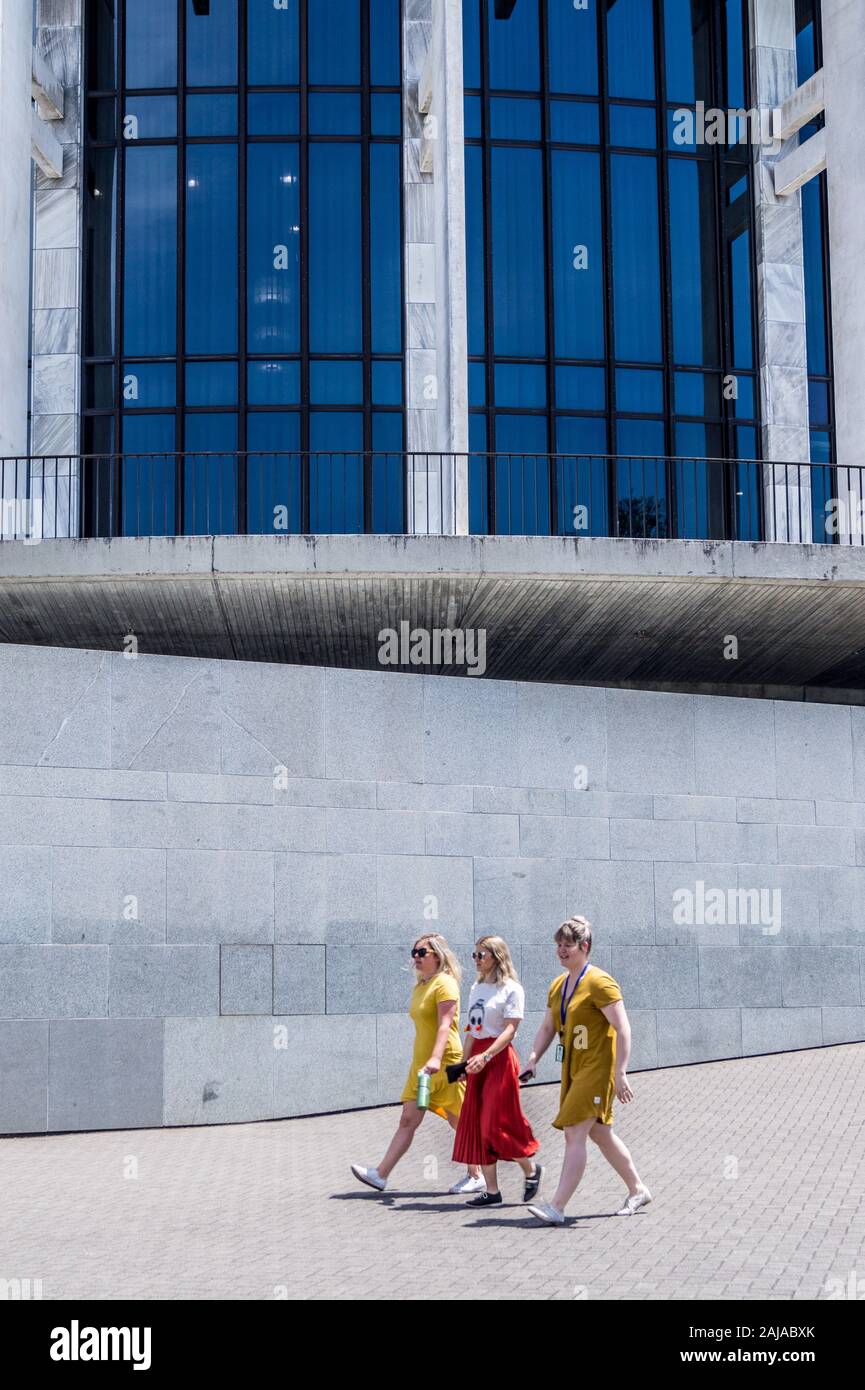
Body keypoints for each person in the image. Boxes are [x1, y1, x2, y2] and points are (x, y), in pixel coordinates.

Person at [522, 916, 652, 1226]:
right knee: (600, 1134)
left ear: (585, 947)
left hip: (596, 1068)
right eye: (558, 945)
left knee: (574, 1133)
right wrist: (532, 1058)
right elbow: (548, 1026)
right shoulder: (559, 984)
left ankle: (557, 1206)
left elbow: (622, 1028)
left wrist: (620, 1073)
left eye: (567, 945)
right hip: (572, 1067)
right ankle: (638, 1189)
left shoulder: (600, 982)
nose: (561, 950)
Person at [350, 933, 484, 1195]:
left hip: (446, 1064)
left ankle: (480, 1174)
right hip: (421, 1066)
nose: (416, 958)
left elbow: (446, 1025)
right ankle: (381, 1174)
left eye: (422, 953)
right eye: (414, 952)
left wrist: (435, 1058)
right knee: (408, 1119)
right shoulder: (422, 985)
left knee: (460, 1121)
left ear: (437, 955)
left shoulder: (445, 983)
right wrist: (425, 1061)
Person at [452, 935, 542, 1207]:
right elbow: (472, 1030)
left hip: (499, 1058)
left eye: (482, 955)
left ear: (497, 957)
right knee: (479, 1125)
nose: (477, 960)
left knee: (494, 1124)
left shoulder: (512, 989)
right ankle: (492, 1192)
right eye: (475, 955)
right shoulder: (476, 989)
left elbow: (511, 1030)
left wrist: (486, 1056)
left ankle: (531, 1170)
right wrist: (463, 1065)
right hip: (478, 1057)